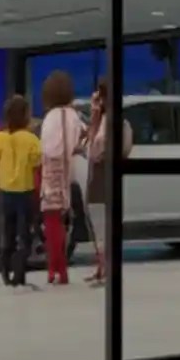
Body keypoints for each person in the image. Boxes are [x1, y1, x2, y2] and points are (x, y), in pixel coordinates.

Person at [0, 95, 42, 290]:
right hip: (25, 194)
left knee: (6, 234)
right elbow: (37, 165)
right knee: (25, 236)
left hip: (5, 193)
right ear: (26, 116)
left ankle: (4, 271)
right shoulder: (32, 139)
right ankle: (19, 274)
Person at [85, 78, 132, 287]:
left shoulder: (114, 122)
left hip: (105, 173)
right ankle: (101, 267)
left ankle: (106, 270)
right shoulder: (106, 119)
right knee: (99, 223)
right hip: (100, 174)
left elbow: (97, 149)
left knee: (103, 223)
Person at [39, 71, 84, 286]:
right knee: (63, 222)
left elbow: (46, 148)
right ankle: (62, 270)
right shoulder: (73, 116)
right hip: (67, 171)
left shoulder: (50, 117)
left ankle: (53, 269)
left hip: (50, 172)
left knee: (51, 223)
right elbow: (80, 139)